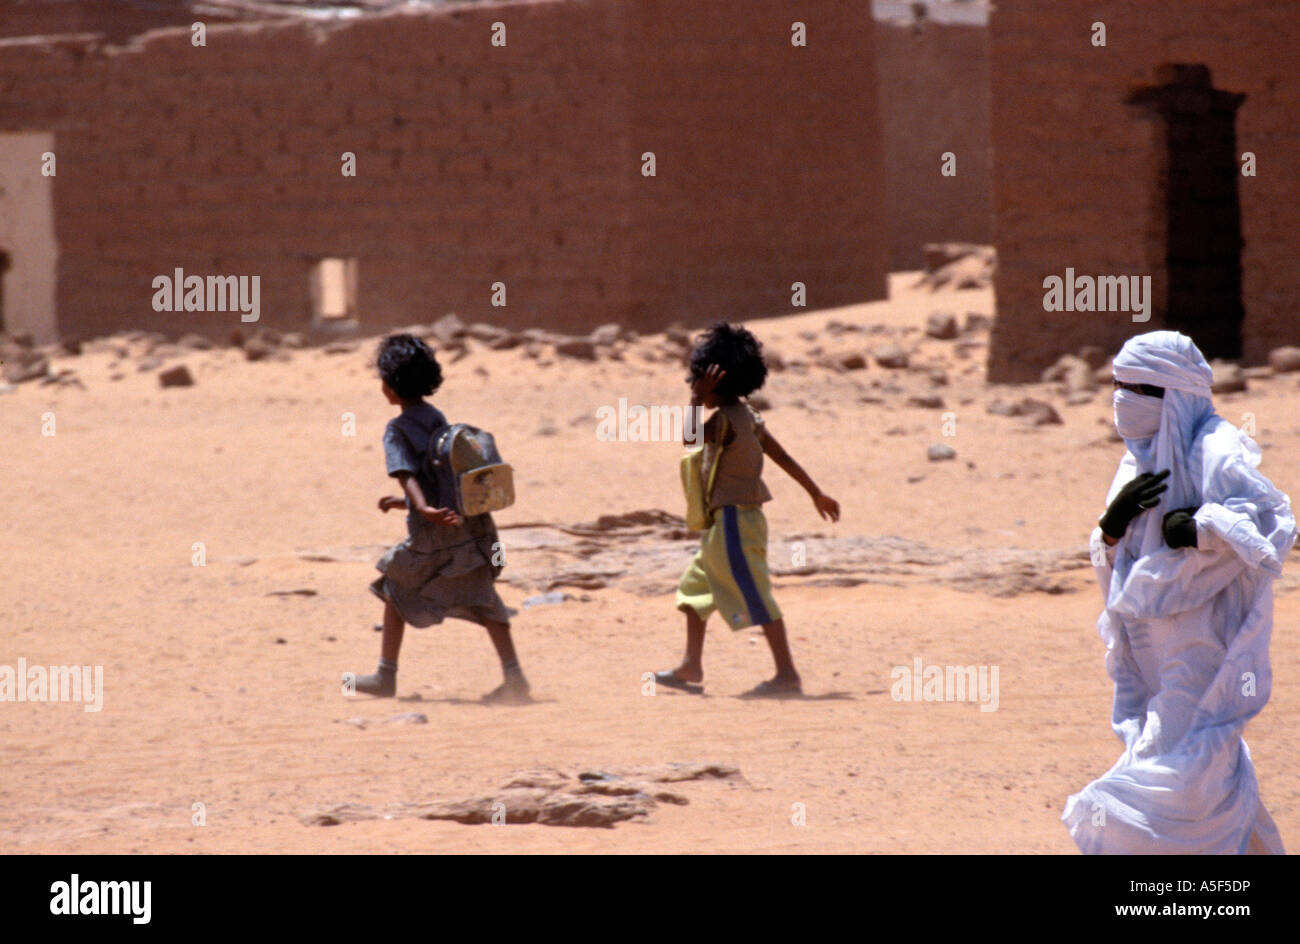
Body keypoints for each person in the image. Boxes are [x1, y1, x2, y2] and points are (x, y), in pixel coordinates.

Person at [1063, 330, 1293, 854]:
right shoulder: (1135, 462)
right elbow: (1107, 558)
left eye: (1135, 388)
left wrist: (1201, 526)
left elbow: (1271, 522)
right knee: (1205, 765)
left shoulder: (1216, 447)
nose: (1120, 400)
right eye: (1116, 385)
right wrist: (1111, 527)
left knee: (1173, 769)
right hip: (1150, 646)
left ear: (1172, 394)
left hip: (1201, 640)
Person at [655, 323, 840, 697]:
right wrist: (815, 492)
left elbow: (689, 439)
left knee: (756, 595)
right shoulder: (750, 417)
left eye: (702, 383)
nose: (698, 389)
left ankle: (787, 674)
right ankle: (691, 666)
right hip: (724, 525)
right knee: (694, 589)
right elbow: (782, 456)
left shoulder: (724, 422)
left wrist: (695, 400)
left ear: (714, 382)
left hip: (735, 523)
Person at [348, 333, 529, 703]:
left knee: (394, 587)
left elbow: (408, 474)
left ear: (391, 386)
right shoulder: (437, 417)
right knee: (484, 598)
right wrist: (407, 504)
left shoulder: (396, 429)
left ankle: (385, 676)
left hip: (433, 534)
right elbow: (440, 472)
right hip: (468, 527)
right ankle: (515, 679)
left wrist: (422, 508)